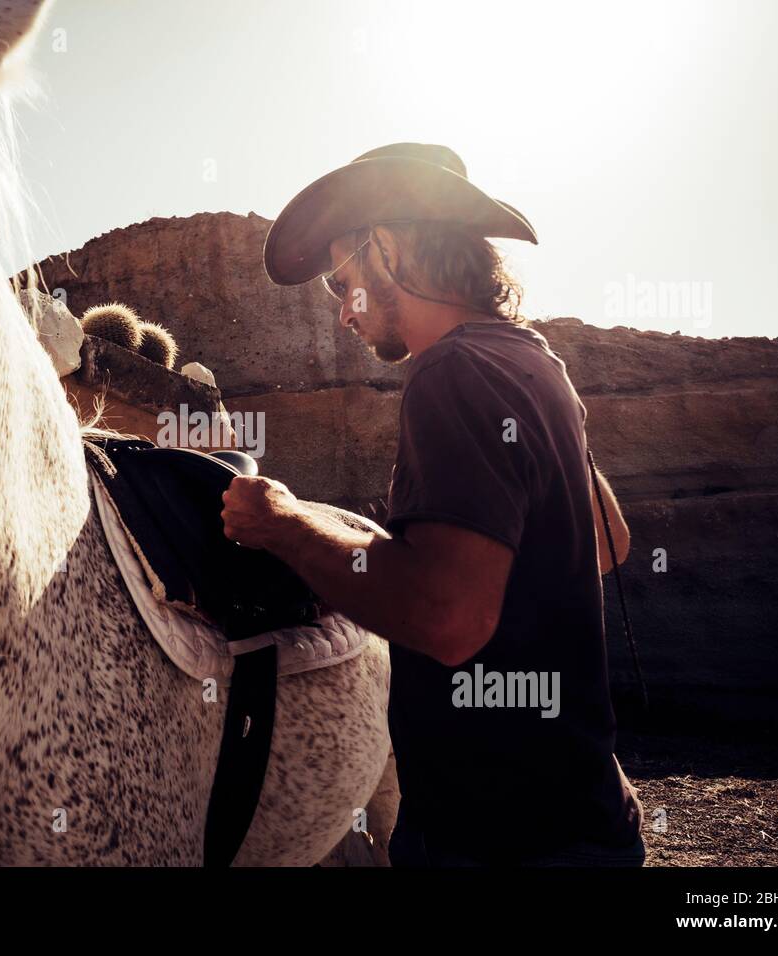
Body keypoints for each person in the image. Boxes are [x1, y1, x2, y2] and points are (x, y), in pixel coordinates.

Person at [222, 143, 645, 866]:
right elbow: (609, 544)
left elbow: (447, 618)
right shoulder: (533, 361)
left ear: (387, 246)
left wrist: (283, 524)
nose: (343, 315)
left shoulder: (451, 373)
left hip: (497, 841)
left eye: (344, 283)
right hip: (588, 816)